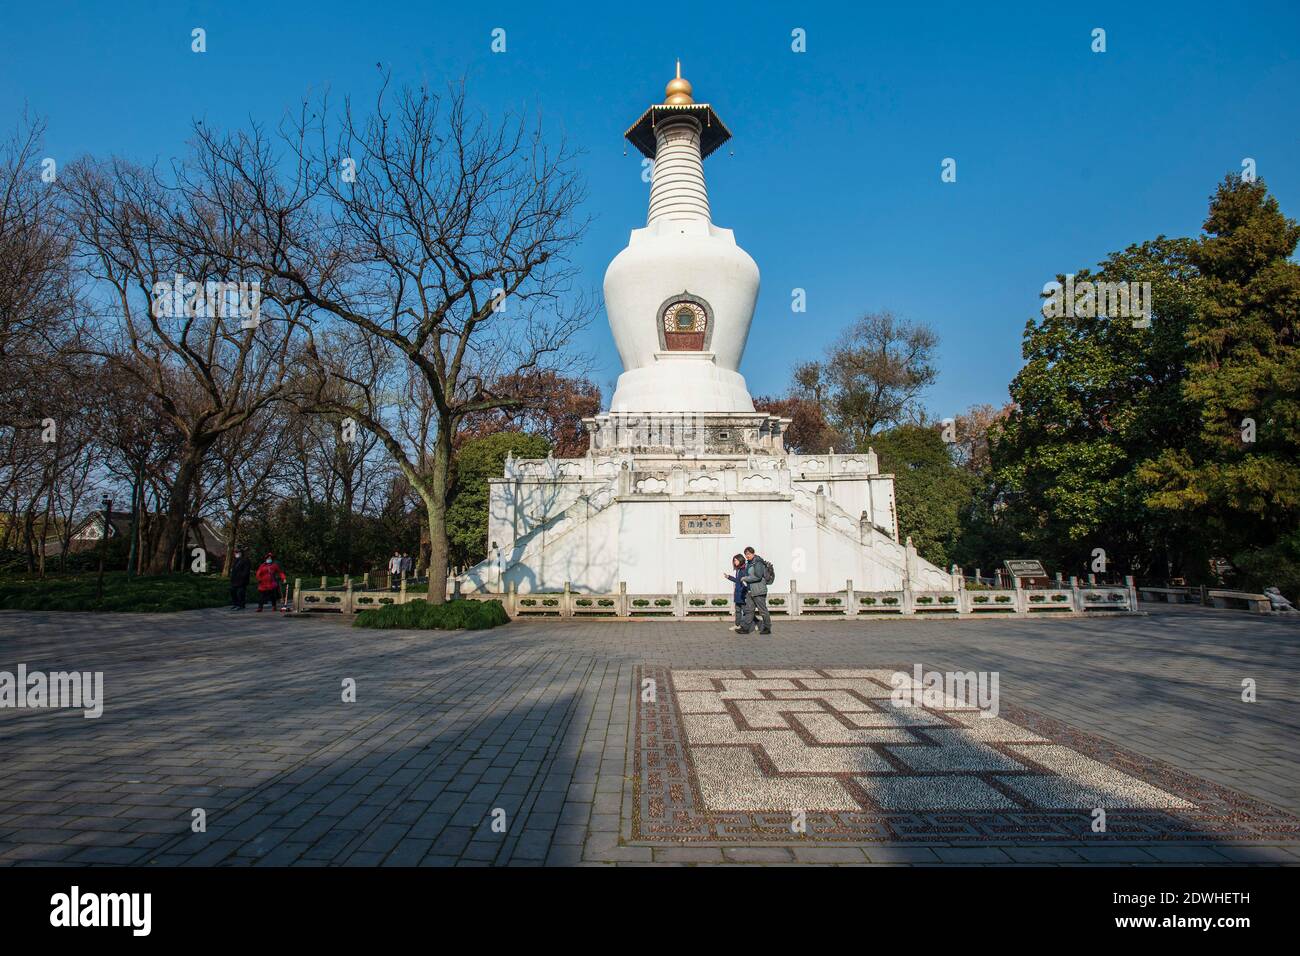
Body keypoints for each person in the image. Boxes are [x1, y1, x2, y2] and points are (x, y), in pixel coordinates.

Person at [738, 546, 772, 635]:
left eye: (749, 554)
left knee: (762, 610)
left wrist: (745, 578)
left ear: (753, 553)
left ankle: (767, 628)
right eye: (746, 554)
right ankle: (746, 628)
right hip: (751, 591)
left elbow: (758, 576)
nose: (747, 556)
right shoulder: (749, 563)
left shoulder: (758, 563)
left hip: (759, 591)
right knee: (749, 610)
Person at [723, 554, 749, 633]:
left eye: (736, 560)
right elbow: (737, 580)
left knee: (746, 611)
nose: (734, 562)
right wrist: (729, 577)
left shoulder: (744, 569)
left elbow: (746, 582)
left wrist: (745, 590)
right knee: (737, 611)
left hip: (743, 594)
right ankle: (737, 625)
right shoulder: (738, 570)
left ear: (740, 560)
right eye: (734, 561)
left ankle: (751, 624)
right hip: (737, 593)